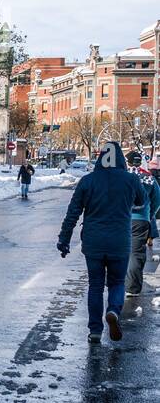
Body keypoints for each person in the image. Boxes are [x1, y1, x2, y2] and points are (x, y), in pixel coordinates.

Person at [58, 141, 147, 343]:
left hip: (93, 243)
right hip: (120, 242)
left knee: (95, 286)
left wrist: (64, 239)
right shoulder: (131, 180)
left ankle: (95, 331)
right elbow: (142, 202)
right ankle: (114, 311)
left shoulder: (88, 181)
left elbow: (72, 213)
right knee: (116, 282)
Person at [125, 150, 160, 296]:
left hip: (120, 219)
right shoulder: (149, 178)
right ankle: (133, 287)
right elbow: (157, 199)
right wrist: (149, 214)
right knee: (136, 253)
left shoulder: (122, 178)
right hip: (140, 220)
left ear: (127, 162)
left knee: (117, 251)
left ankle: (116, 282)